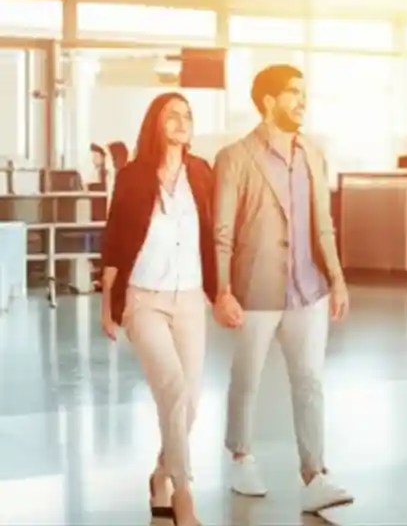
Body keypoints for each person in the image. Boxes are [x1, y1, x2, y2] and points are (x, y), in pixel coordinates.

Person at [211, 63, 352, 514]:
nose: (302, 100)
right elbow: (222, 232)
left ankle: (314, 475)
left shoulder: (313, 154)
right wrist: (222, 290)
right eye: (293, 92)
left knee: (310, 381)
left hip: (309, 288)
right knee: (247, 377)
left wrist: (337, 279)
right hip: (255, 287)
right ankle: (240, 456)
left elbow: (324, 224)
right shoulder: (235, 158)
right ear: (269, 100)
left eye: (304, 91)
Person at [99, 92, 216, 526]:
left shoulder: (201, 172)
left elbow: (213, 234)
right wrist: (107, 304)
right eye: (172, 115)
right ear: (155, 123)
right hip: (144, 299)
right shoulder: (133, 176)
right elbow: (115, 240)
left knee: (191, 402)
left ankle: (161, 475)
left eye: (187, 115)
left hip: (190, 298)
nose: (182, 122)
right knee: (173, 390)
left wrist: (222, 291)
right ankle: (184, 495)